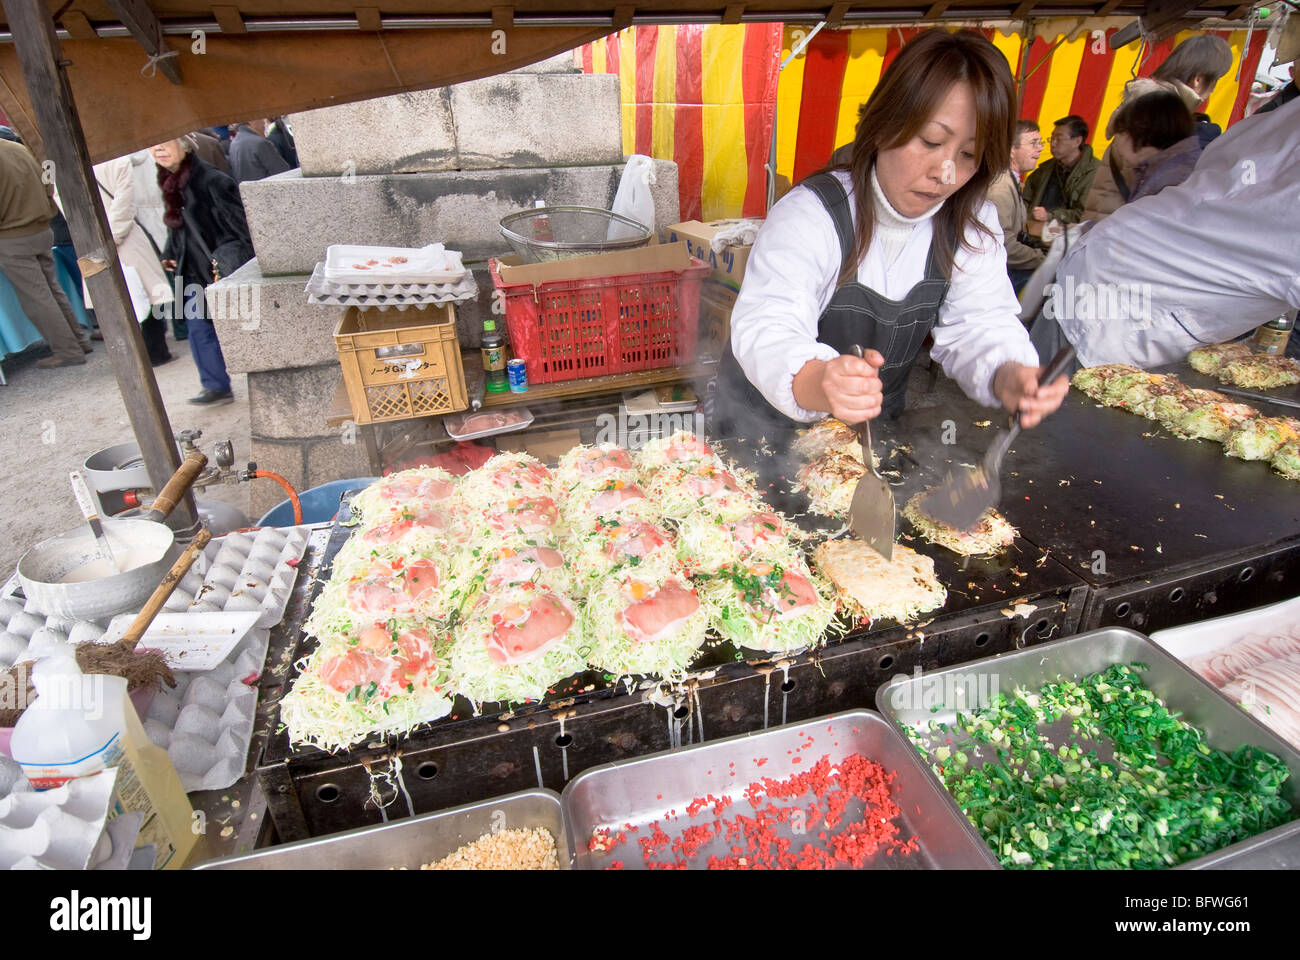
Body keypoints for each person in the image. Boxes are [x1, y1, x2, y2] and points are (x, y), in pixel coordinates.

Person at [715, 28, 1068, 445]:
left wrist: (1010, 373)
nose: (945, 172)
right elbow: (769, 327)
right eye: (931, 141)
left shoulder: (972, 223)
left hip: (868, 442)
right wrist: (823, 379)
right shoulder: (812, 214)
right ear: (884, 125)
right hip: (760, 432)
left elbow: (981, 322)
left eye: (969, 154)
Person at [1028, 96, 1300, 370]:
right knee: (1049, 396)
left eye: (1120, 136)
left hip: (1115, 285)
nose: (1116, 146)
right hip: (1112, 298)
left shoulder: (1172, 168)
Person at [1083, 35, 1232, 222]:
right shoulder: (1161, 112)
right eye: (1214, 82)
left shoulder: (1148, 103)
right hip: (1119, 228)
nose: (1211, 91)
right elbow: (1157, 187)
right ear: (1198, 79)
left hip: (1110, 220)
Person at [153, 135, 253, 404]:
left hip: (216, 268)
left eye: (165, 142)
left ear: (185, 145)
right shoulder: (171, 181)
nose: (158, 148)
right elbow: (178, 227)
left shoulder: (213, 181)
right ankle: (215, 386)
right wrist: (170, 253)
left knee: (239, 328)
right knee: (198, 329)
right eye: (153, 144)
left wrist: (225, 261)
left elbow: (242, 231)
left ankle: (244, 382)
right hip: (191, 268)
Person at [0, 137, 92, 367]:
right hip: (41, 228)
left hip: (13, 236)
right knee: (52, 290)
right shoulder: (19, 147)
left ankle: (68, 351)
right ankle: (79, 341)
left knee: (38, 299)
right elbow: (48, 179)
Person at [92, 155, 176, 365]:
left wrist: (98, 239)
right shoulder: (118, 159)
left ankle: (131, 356)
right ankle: (157, 352)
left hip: (95, 242)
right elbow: (125, 203)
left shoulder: (62, 168)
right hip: (128, 235)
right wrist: (113, 236)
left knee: (118, 299)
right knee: (147, 294)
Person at [1107, 91, 1201, 205]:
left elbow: (1138, 221)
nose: (1117, 144)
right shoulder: (1166, 169)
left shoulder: (1171, 179)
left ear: (1139, 130)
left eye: (1121, 133)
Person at [988, 120, 1044, 294]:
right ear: (1012, 150)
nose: (1041, 148)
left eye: (1040, 142)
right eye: (1033, 143)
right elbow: (1002, 244)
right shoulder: (1000, 188)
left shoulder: (1010, 180)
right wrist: (1042, 259)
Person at [1023, 115, 1099, 229]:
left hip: (1070, 239)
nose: (1052, 143)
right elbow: (1025, 200)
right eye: (1052, 138)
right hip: (1033, 233)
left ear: (1077, 141)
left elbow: (1085, 214)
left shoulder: (1095, 172)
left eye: (1058, 139)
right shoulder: (1045, 169)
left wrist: (1050, 216)